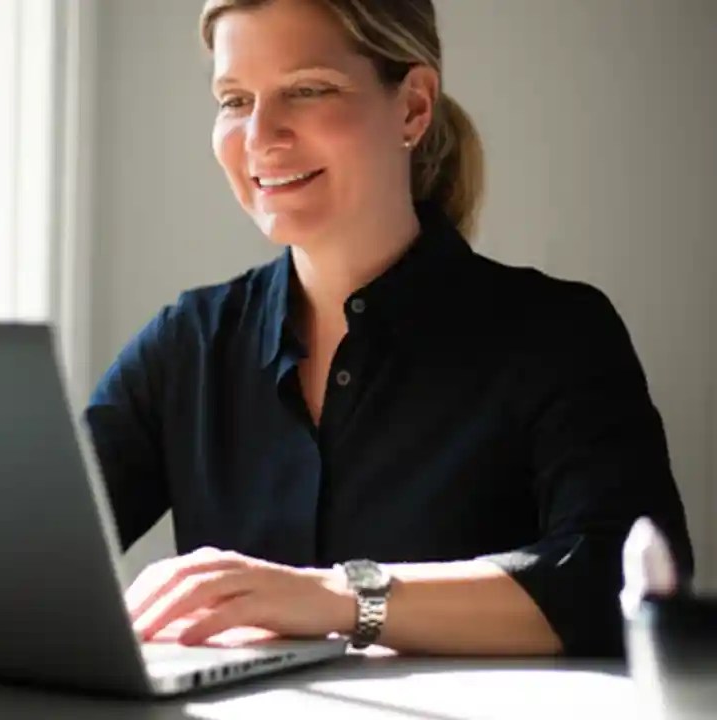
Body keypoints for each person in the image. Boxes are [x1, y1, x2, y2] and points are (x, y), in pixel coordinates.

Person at [83, 0, 694, 658]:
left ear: (412, 107)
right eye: (234, 99)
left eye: (307, 89)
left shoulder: (559, 334)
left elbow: (620, 583)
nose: (260, 134)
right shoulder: (184, 346)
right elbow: (19, 559)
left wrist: (338, 598)